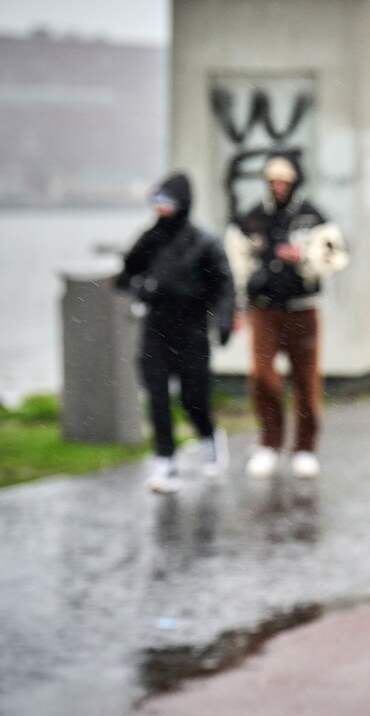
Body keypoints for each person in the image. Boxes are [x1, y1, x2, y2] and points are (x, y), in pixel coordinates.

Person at [226, 154, 348, 479]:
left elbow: (336, 256)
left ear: (294, 183)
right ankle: (269, 440)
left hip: (302, 308)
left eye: (285, 182)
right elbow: (236, 261)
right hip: (264, 309)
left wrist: (305, 258)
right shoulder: (253, 218)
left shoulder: (311, 216)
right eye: (273, 182)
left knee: (306, 380)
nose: (279, 187)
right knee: (262, 375)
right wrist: (240, 302)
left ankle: (305, 447)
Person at [117, 172, 235, 494]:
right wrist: (141, 287)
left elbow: (224, 284)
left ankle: (209, 436)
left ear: (182, 205)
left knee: (192, 398)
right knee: (157, 396)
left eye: (167, 204)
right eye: (157, 203)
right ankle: (164, 462)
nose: (161, 210)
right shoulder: (149, 239)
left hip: (192, 329)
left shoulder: (204, 242)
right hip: (156, 328)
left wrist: (223, 320)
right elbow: (126, 275)